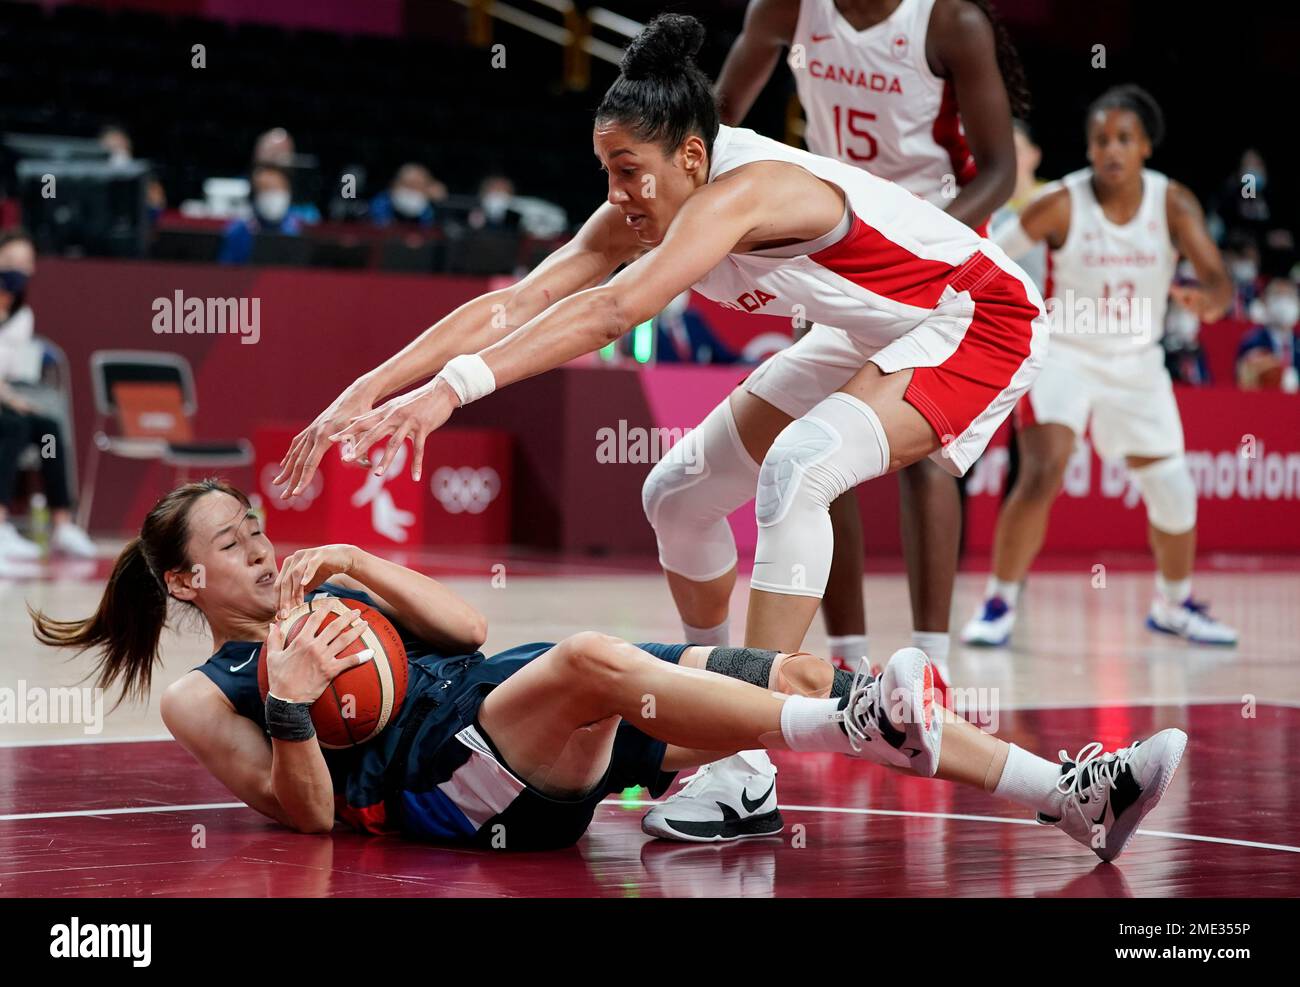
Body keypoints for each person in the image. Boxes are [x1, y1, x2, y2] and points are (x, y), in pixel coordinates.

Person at [275, 13, 1049, 841]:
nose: (615, 194)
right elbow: (517, 301)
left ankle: (746, 764)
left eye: (629, 171)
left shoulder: (744, 192)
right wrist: (375, 383)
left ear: (689, 155)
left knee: (801, 466)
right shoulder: (649, 203)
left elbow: (612, 308)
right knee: (677, 494)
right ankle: (707, 721)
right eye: (605, 169)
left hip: (977, 316)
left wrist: (451, 393)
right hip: (869, 329)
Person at [32, 478, 1186, 857]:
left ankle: (1068, 798)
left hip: (499, 699)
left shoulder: (324, 589)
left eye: (257, 527)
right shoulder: (206, 693)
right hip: (446, 790)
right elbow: (316, 821)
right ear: (186, 584)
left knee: (784, 675)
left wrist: (365, 563)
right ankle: (857, 734)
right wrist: (288, 705)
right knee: (594, 656)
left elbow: (470, 639)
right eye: (231, 546)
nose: (259, 547)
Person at [709, 0, 1029, 701]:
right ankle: (847, 661)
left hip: (938, 250)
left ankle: (930, 662)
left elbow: (1000, 172)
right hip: (830, 246)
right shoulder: (787, 9)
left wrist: (921, 245)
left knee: (925, 458)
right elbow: (713, 121)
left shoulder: (949, 23)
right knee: (817, 446)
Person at [961, 85, 1238, 648]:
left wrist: (1208, 299)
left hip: (1138, 362)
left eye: (1124, 139)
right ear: (1088, 149)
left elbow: (1219, 284)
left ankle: (1173, 605)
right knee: (1044, 469)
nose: (1112, 149)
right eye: (1101, 139)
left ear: (1145, 148)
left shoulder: (1173, 203)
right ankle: (999, 602)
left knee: (1174, 490)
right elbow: (988, 255)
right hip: (1065, 353)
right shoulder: (1061, 201)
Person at [0, 230, 96, 563]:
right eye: (10, 262)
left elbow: (10, 370)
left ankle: (62, 524)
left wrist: (12, 396)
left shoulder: (21, 315)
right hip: (4, 403)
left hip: (5, 395)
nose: (17, 270)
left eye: (25, 264)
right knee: (12, 425)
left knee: (47, 427)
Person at [218, 164, 303, 265]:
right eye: (266, 190)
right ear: (255, 196)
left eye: (278, 189)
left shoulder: (296, 229)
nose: (273, 196)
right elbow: (225, 269)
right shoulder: (238, 231)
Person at [1237, 277, 1299, 391]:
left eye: (1289, 297)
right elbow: (1245, 381)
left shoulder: (1297, 344)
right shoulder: (1252, 343)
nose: (1284, 304)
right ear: (1266, 302)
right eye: (1278, 297)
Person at [369, 163, 443, 228]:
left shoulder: (426, 206)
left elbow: (429, 224)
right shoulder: (382, 201)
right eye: (410, 185)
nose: (414, 191)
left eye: (419, 186)